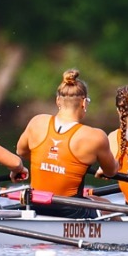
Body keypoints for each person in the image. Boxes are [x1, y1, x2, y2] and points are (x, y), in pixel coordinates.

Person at [16, 69, 119, 199]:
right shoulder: (95, 136)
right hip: (71, 211)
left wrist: (49, 163)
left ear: (58, 100)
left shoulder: (37, 122)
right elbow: (111, 171)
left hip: (35, 204)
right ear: (84, 103)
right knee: (106, 206)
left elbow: (21, 151)